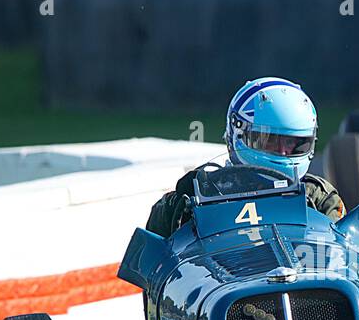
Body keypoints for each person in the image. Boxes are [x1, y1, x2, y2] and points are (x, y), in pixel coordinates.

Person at [146, 77, 344, 237]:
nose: (284, 152)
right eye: (271, 141)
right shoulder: (192, 196)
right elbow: (152, 277)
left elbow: (345, 260)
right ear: (238, 134)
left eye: (293, 143)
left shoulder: (318, 198)